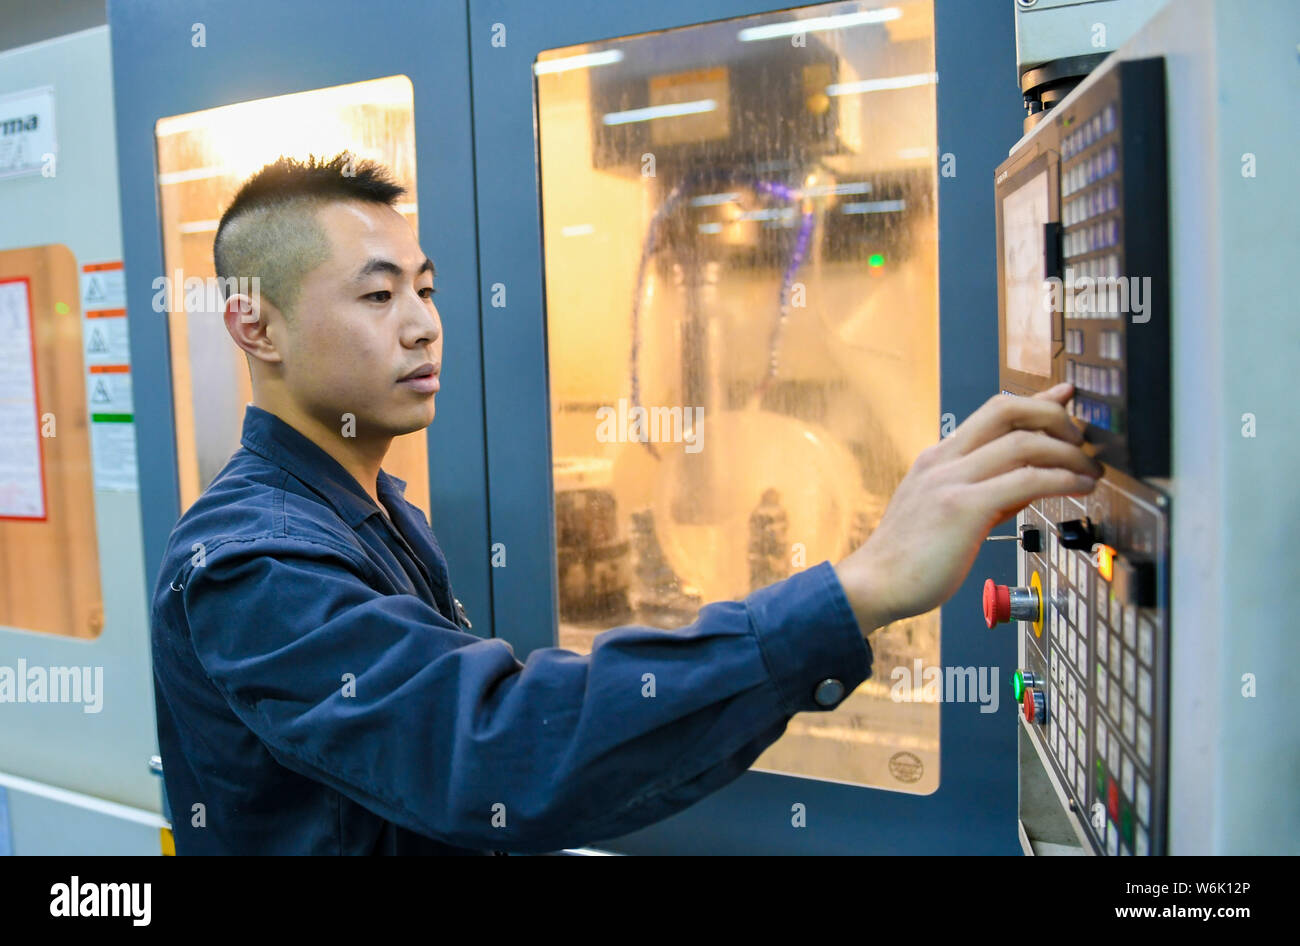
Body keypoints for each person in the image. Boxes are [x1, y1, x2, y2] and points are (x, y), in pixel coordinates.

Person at [151, 153, 1103, 855]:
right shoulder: (254, 566)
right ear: (254, 322)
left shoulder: (373, 510)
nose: (421, 322)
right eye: (376, 294)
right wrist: (858, 590)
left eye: (428, 288)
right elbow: (496, 750)